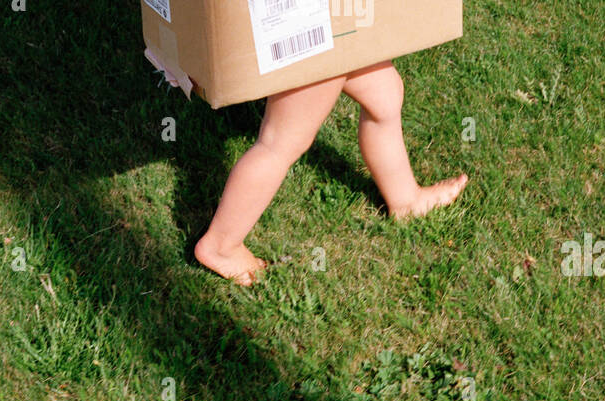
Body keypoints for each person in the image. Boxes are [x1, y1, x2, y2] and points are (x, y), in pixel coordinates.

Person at [193, 59, 468, 285]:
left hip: (334, 12)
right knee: (280, 141)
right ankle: (221, 246)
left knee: (385, 94)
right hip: (313, 22)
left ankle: (406, 199)